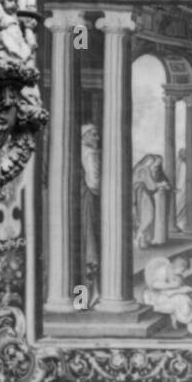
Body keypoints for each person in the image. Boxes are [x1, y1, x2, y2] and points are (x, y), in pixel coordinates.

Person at [141, 255, 192, 335]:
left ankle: (185, 320)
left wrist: (183, 289)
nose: (182, 273)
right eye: (182, 270)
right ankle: (189, 324)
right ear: (177, 266)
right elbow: (154, 284)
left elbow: (178, 285)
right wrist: (173, 286)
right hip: (155, 296)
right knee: (183, 299)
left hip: (167, 294)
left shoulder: (176, 274)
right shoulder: (163, 270)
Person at [80, 124, 101, 298]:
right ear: (85, 136)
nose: (97, 138)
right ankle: (88, 299)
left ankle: (81, 302)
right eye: (93, 134)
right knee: (90, 245)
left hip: (80, 202)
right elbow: (95, 183)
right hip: (88, 201)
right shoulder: (90, 153)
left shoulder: (80, 151)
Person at [131, 153, 170, 248]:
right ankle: (137, 239)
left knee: (143, 217)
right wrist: (162, 185)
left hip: (139, 194)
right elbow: (151, 186)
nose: (152, 164)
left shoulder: (138, 168)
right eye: (151, 162)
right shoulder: (144, 169)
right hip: (144, 195)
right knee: (148, 217)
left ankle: (141, 241)